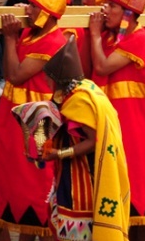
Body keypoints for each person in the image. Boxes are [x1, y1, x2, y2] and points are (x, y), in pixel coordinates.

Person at [0, 0, 68, 240]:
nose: (27, 10)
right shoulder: (33, 33)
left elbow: (15, 75)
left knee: (35, 182)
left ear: (46, 13)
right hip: (15, 118)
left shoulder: (53, 40)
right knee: (6, 180)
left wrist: (9, 38)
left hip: (37, 122)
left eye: (33, 6)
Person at [88, 0, 145, 238]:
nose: (105, 10)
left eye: (112, 6)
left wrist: (93, 34)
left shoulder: (139, 39)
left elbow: (101, 67)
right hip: (118, 129)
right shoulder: (113, 39)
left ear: (128, 14)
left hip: (139, 132)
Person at [40, 36, 131, 241]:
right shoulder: (83, 89)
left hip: (80, 178)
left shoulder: (78, 100)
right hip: (69, 172)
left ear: (58, 78)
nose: (45, 80)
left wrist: (60, 153)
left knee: (75, 229)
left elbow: (93, 140)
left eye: (48, 76)